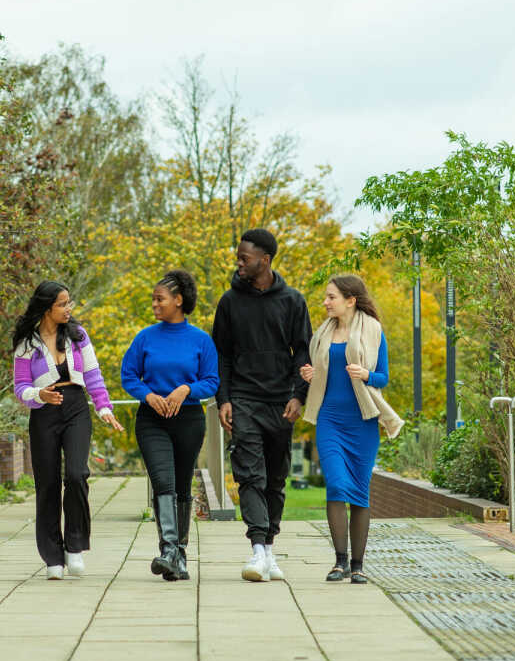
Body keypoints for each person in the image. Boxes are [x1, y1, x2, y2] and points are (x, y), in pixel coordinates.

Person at [211, 228, 313, 583]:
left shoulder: (293, 301)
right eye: (238, 257)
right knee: (249, 474)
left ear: (265, 260)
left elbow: (303, 351)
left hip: (281, 401)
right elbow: (221, 354)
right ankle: (256, 549)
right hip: (243, 399)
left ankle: (269, 549)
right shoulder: (229, 302)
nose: (238, 263)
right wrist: (223, 399)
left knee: (276, 477)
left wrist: (299, 394)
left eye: (244, 258)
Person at [12, 281, 122, 580]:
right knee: (47, 485)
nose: (68, 309)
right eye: (63, 304)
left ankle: (74, 546)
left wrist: (104, 408)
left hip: (75, 408)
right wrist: (39, 395)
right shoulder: (27, 343)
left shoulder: (77, 335)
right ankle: (52, 557)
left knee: (76, 475)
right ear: (47, 307)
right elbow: (20, 387)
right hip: (44, 414)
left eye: (69, 303)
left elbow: (93, 375)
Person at [300, 274, 404, 584]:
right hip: (330, 419)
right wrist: (311, 375)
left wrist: (366, 374)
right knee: (336, 485)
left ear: (350, 300)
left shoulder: (373, 330)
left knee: (359, 491)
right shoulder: (322, 334)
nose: (325, 302)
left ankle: (358, 566)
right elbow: (322, 374)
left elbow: (383, 377)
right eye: (326, 297)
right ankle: (339, 561)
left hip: (363, 421)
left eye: (331, 297)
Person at [120, 270, 219, 582]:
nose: (154, 304)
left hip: (189, 421)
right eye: (153, 299)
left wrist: (186, 389)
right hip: (152, 421)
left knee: (180, 485)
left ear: (179, 300)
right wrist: (148, 395)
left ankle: (179, 554)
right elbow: (128, 375)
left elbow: (212, 381)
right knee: (163, 481)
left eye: (159, 298)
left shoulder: (201, 340)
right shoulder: (145, 337)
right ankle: (168, 550)